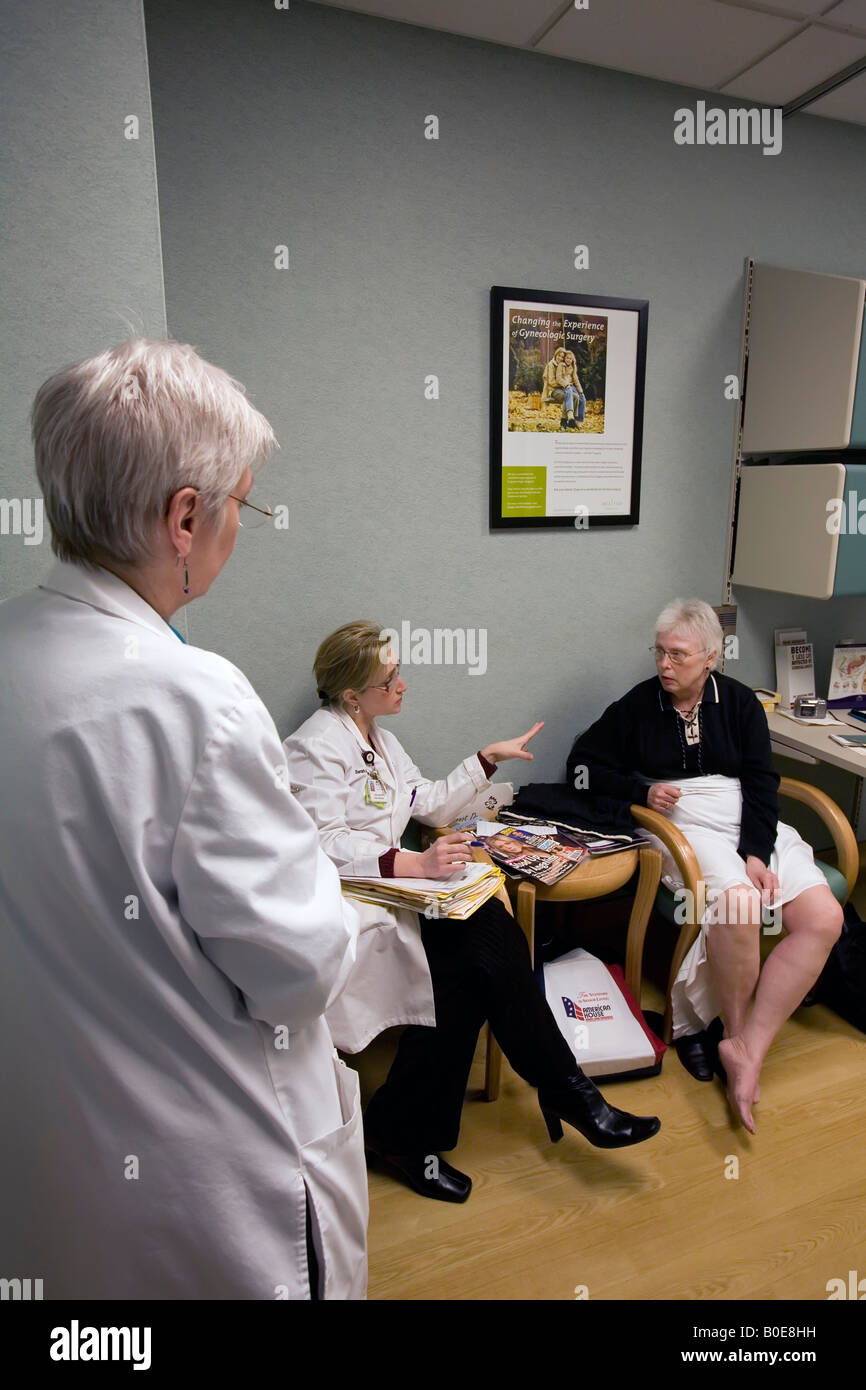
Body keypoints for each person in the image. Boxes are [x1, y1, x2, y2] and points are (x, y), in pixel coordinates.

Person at [0, 339, 368, 1299]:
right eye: (242, 504)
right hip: (208, 1186)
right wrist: (328, 875)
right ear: (186, 517)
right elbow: (299, 970)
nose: (239, 528)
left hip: (53, 1156)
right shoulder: (193, 697)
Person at [283, 622, 660, 1205]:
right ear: (353, 694)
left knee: (478, 956)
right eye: (391, 679)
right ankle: (565, 1093)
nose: (404, 684)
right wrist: (413, 864)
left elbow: (424, 799)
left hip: (396, 892)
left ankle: (418, 1131)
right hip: (348, 907)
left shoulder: (376, 736)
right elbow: (322, 844)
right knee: (477, 959)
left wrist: (485, 759)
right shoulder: (315, 745)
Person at [567, 598, 843, 1134]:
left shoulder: (739, 705)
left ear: (711, 657)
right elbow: (582, 766)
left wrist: (757, 854)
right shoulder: (639, 706)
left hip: (747, 821)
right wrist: (642, 788)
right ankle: (733, 1030)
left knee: (825, 919)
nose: (664, 666)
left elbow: (763, 785)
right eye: (659, 653)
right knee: (740, 902)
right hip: (683, 826)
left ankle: (747, 1047)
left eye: (678, 655)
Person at [541, 346, 587, 429]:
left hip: (563, 388)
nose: (560, 358)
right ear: (555, 355)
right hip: (553, 390)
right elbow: (551, 382)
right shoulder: (551, 365)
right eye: (559, 356)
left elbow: (574, 379)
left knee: (576, 396)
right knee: (568, 394)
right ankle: (564, 420)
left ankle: (573, 420)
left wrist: (579, 390)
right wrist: (565, 384)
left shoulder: (564, 366)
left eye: (562, 357)